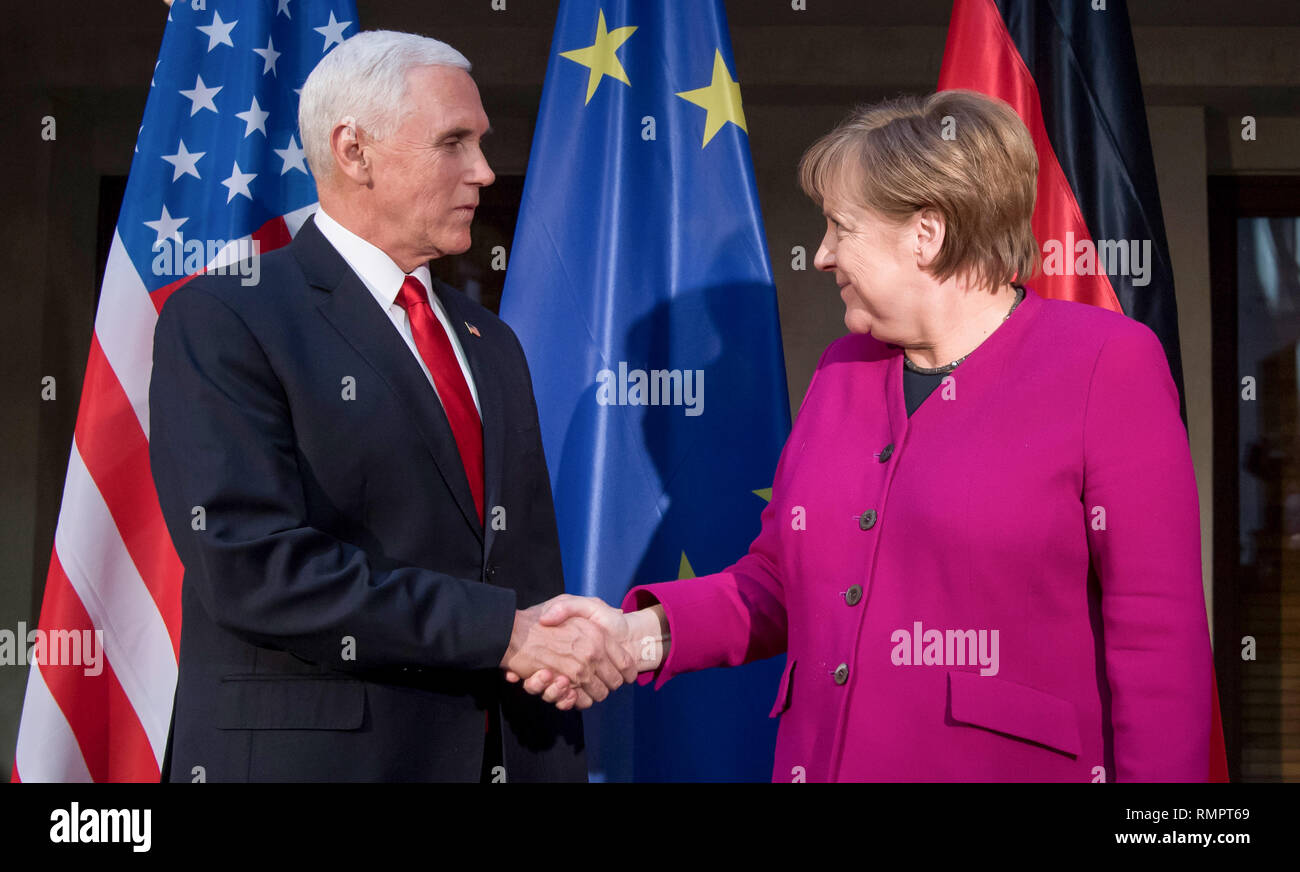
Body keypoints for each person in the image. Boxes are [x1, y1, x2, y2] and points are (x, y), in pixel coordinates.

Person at [527, 90, 1214, 782]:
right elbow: (779, 583)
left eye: (839, 227)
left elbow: (1160, 641)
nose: (822, 255)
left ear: (927, 233)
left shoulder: (1106, 363)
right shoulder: (843, 370)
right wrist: (633, 637)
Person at [148, 30, 635, 783]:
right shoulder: (228, 316)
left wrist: (558, 657)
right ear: (354, 151)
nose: (483, 170)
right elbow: (252, 566)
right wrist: (501, 634)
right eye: (454, 142)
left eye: (480, 143)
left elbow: (520, 567)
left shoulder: (489, 340)